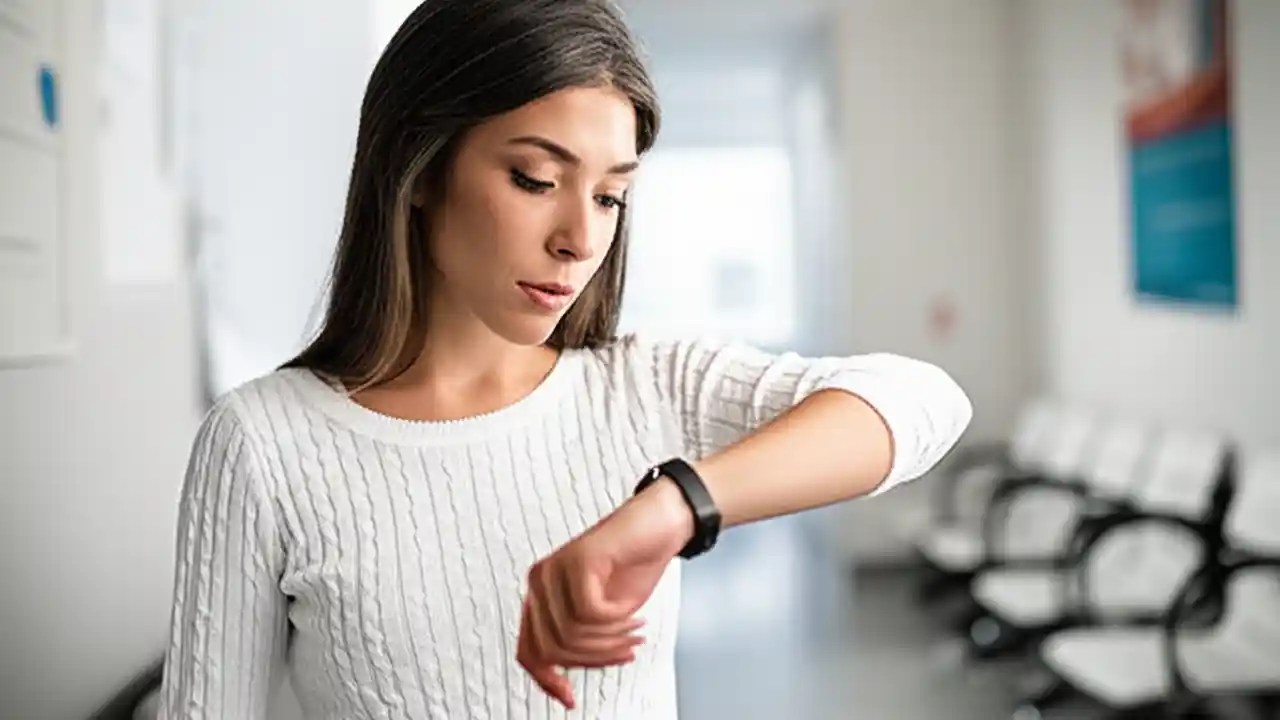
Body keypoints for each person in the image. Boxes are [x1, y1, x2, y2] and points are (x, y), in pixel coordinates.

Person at [157, 0, 972, 718]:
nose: (581, 239)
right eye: (535, 178)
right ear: (418, 168)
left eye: (611, 196)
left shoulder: (645, 387)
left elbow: (925, 401)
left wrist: (674, 505)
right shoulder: (261, 444)